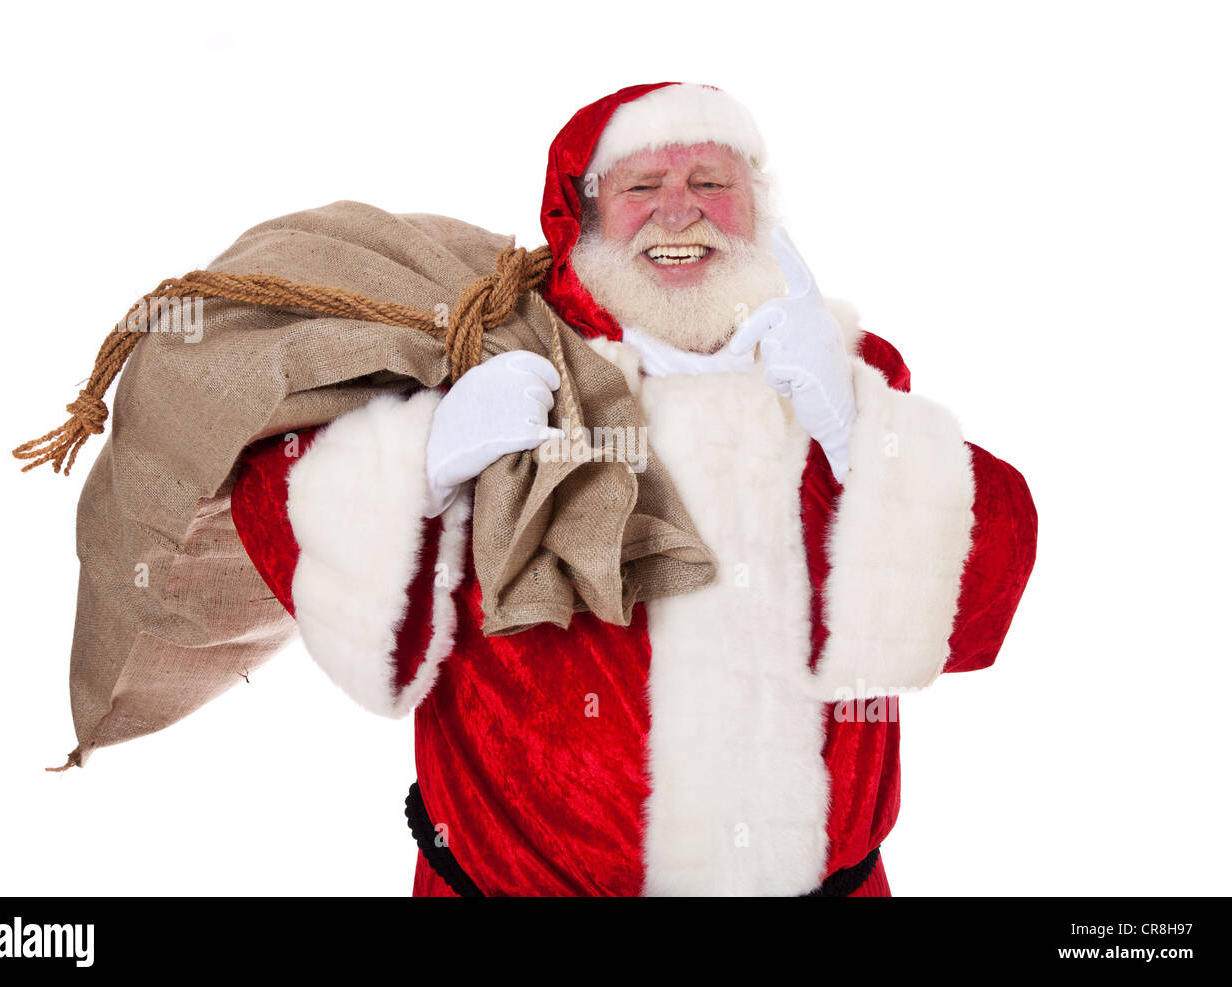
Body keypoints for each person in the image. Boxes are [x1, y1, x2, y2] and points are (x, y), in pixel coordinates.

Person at [232, 82, 1038, 896]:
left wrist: (858, 442)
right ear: (581, 215)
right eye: (642, 188)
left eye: (712, 185)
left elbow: (977, 613)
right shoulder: (496, 352)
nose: (678, 213)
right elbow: (271, 502)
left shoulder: (844, 368)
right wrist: (427, 460)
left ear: (759, 209)